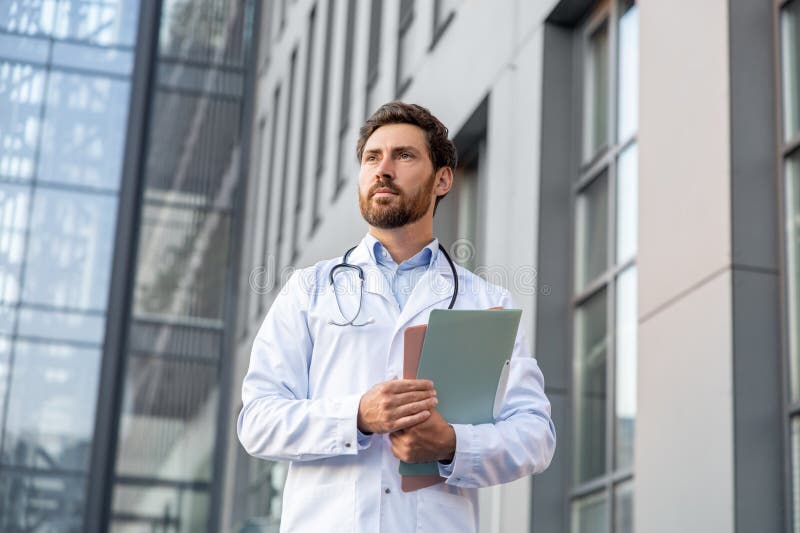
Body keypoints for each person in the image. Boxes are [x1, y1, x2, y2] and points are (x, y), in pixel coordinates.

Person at [237, 102, 556, 533]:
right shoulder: (309, 289)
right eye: (372, 157)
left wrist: (452, 445)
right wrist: (356, 415)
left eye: (403, 156)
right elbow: (257, 421)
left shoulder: (484, 301)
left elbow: (535, 436)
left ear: (442, 179)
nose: (382, 169)